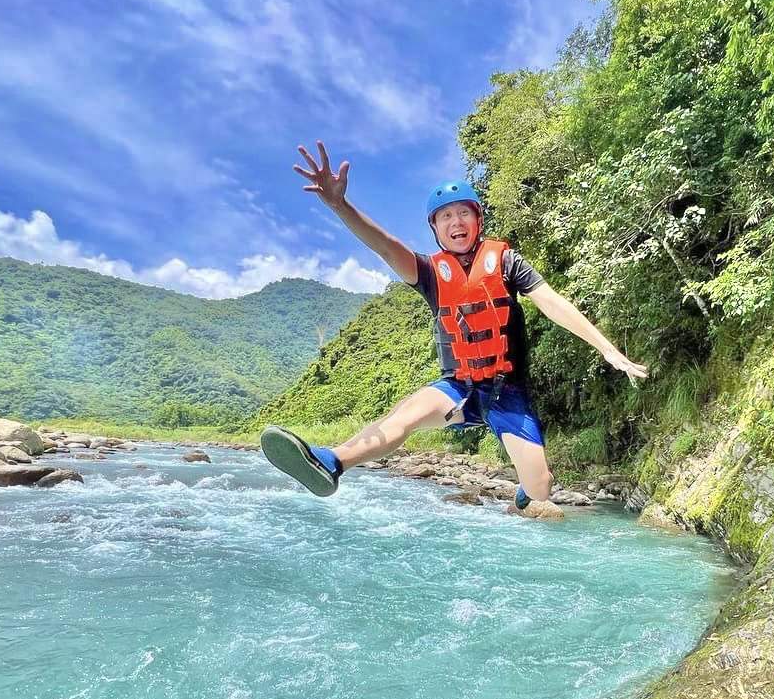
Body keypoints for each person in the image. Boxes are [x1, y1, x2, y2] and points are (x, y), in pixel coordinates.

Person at [260, 141, 648, 513]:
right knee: (405, 416)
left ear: (477, 220)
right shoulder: (430, 272)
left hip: (506, 392)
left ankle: (526, 492)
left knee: (541, 488)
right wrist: (340, 205)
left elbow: (551, 302)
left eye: (463, 212)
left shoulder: (506, 261)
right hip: (457, 387)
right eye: (445, 216)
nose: (455, 221)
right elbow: (384, 245)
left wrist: (607, 348)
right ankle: (330, 462)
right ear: (436, 229)